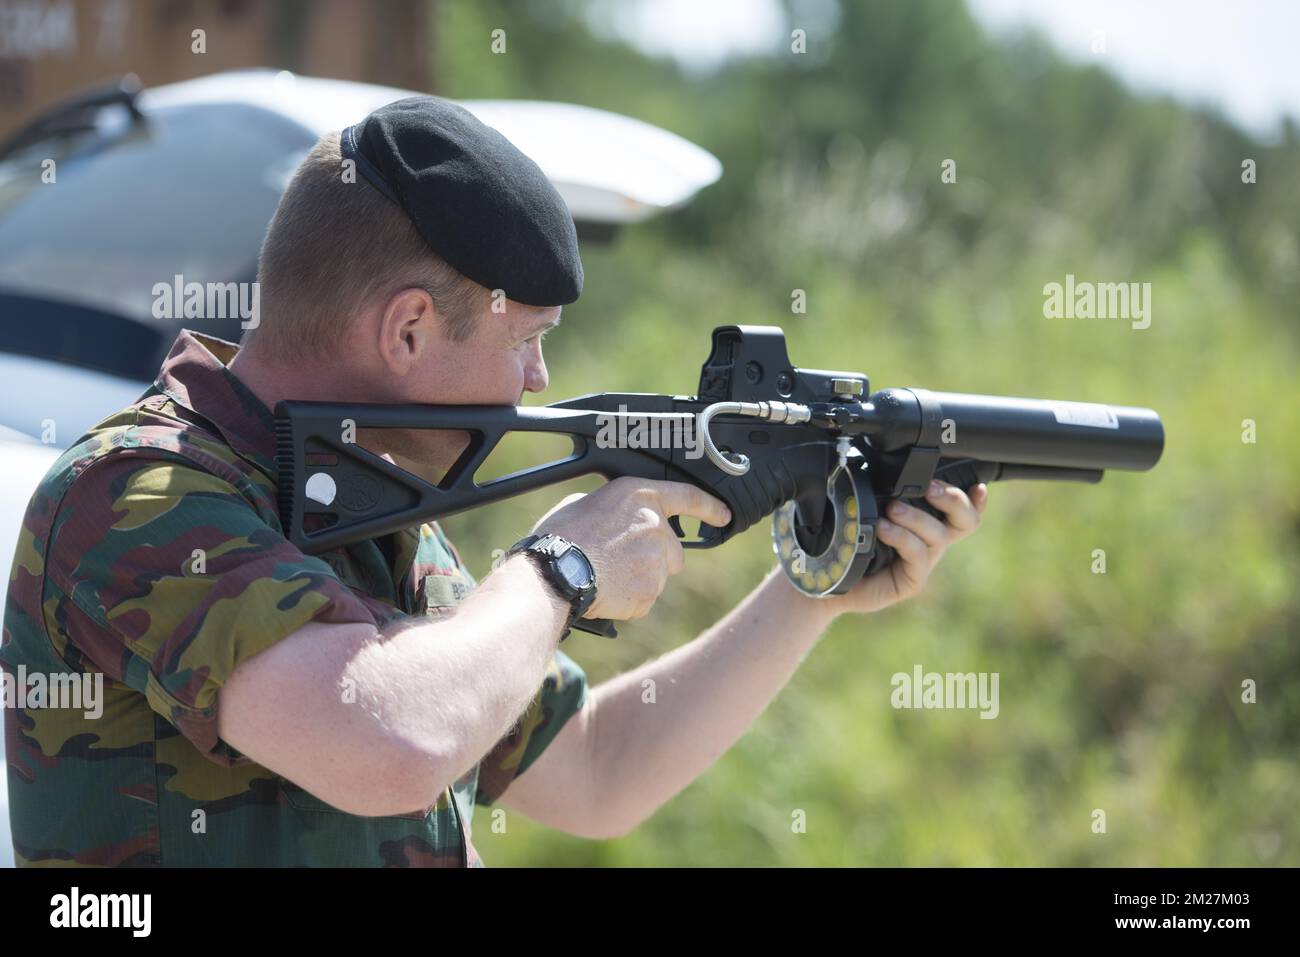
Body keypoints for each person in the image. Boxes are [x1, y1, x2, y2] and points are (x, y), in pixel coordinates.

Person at [1, 96, 987, 867]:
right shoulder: (138, 492)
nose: (537, 382)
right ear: (409, 329)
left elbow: (598, 772)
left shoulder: (368, 509)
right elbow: (392, 742)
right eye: (524, 341)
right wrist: (561, 568)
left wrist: (810, 587)